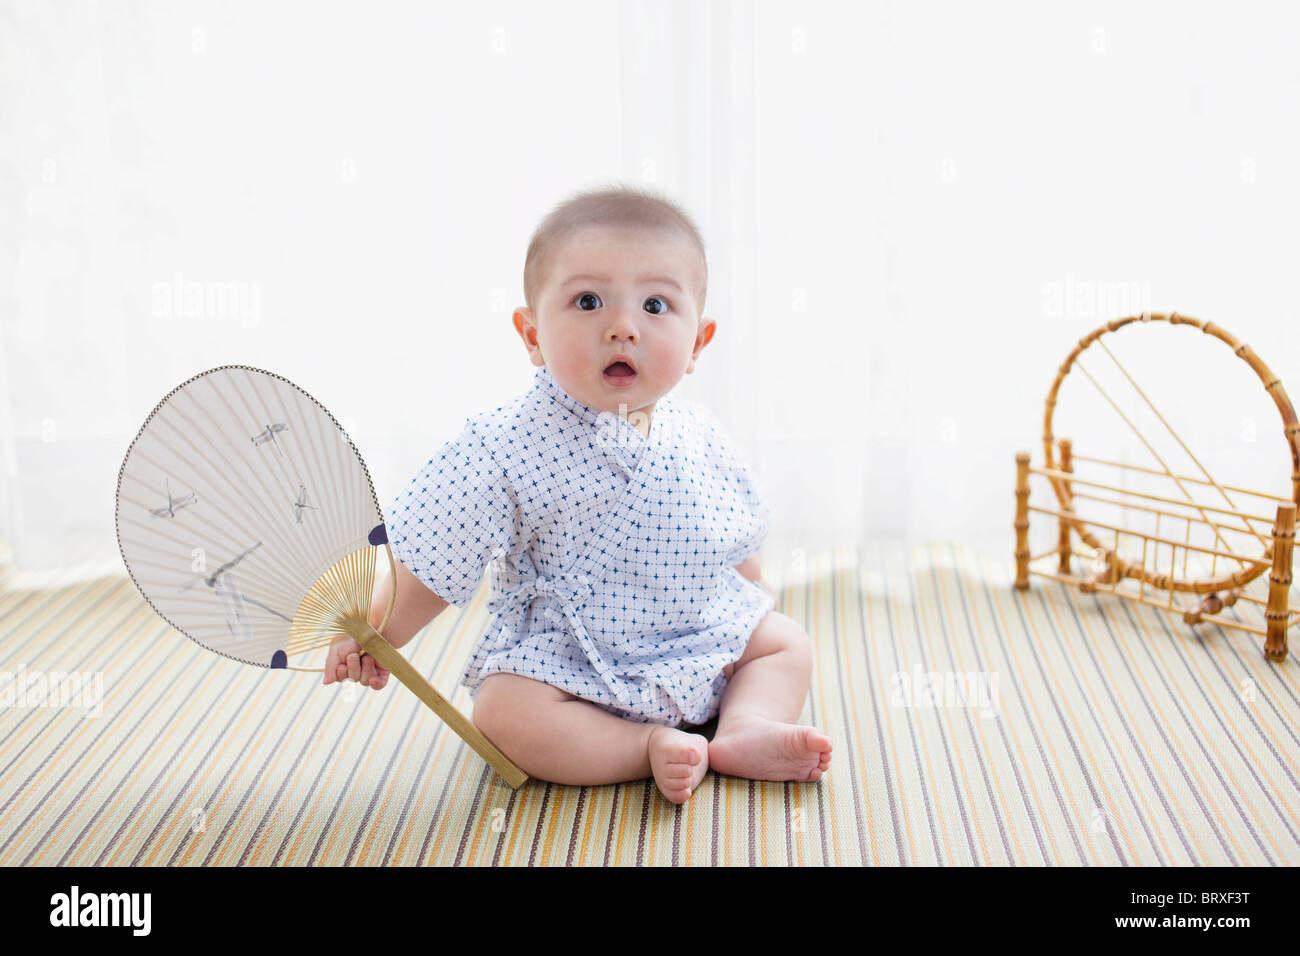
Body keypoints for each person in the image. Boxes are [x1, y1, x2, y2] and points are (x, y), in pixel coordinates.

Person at [323, 184, 831, 803]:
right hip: (574, 661)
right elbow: (434, 549)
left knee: (783, 640)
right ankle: (638, 748)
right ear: (532, 334)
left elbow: (734, 543)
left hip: (692, 637)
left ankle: (745, 726)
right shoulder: (505, 446)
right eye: (588, 301)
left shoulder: (699, 433)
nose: (622, 327)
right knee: (505, 712)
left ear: (698, 342)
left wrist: (752, 607)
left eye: (655, 305)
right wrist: (378, 631)